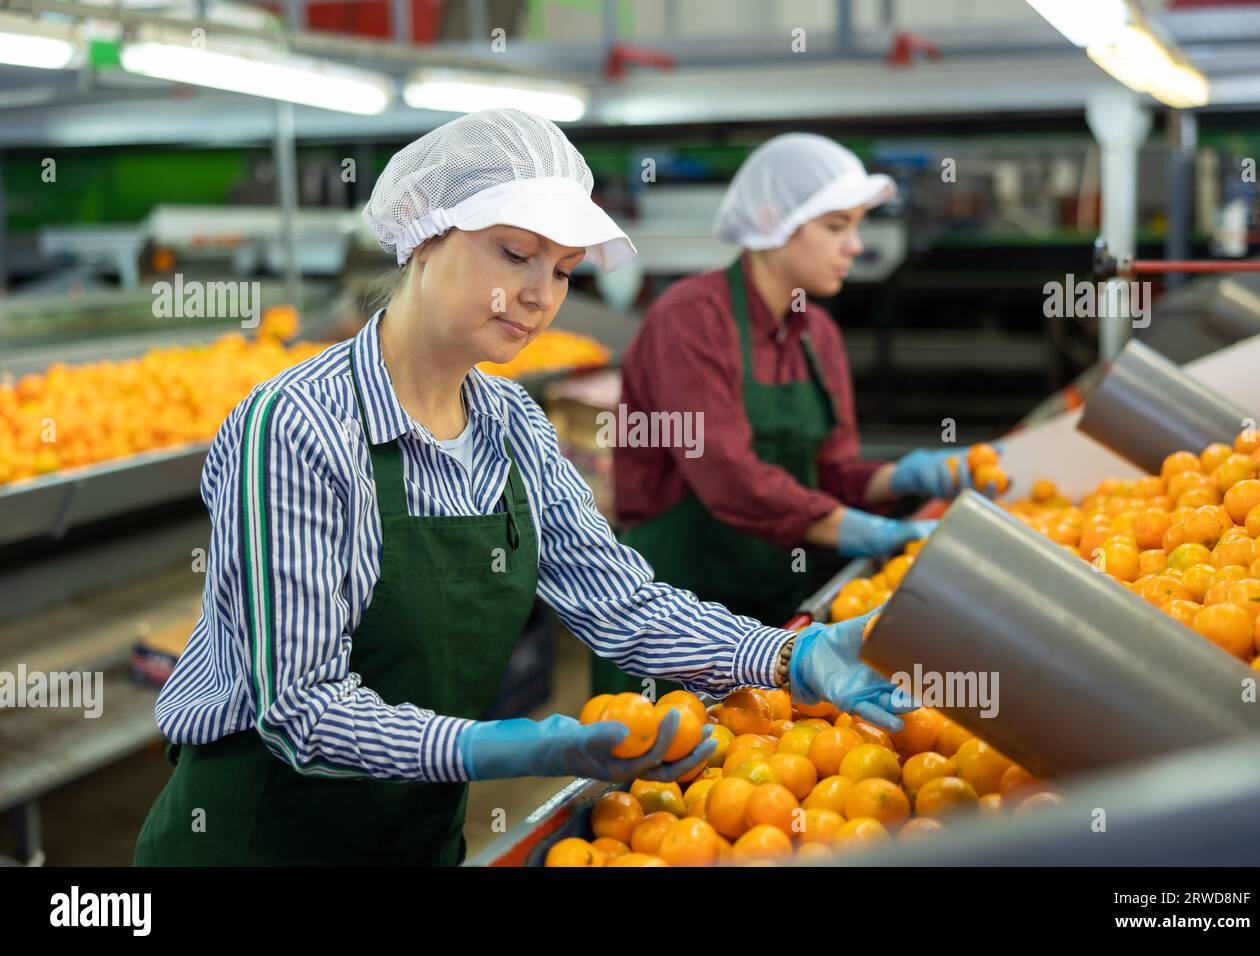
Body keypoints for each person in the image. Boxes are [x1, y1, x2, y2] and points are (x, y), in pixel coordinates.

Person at [132, 110, 910, 867]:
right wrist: (511, 745)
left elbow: (623, 607)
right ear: (426, 235)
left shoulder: (513, 426)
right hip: (256, 837)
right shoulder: (296, 426)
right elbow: (298, 708)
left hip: (416, 836)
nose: (542, 294)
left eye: (565, 270)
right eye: (515, 253)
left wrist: (785, 655)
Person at [604, 133, 996, 697]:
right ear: (773, 223)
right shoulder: (690, 320)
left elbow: (828, 473)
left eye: (857, 226)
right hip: (669, 614)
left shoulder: (818, 333)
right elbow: (729, 479)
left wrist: (903, 477)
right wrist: (862, 530)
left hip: (772, 606)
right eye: (836, 226)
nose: (855, 245)